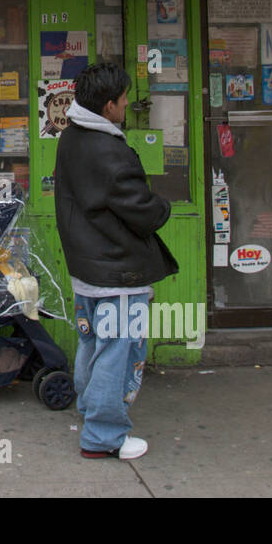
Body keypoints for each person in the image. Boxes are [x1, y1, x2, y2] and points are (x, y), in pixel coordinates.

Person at [54, 63, 177, 461]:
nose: (127, 106)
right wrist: (162, 205)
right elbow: (145, 212)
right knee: (118, 351)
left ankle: (91, 413)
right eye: (124, 100)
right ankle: (103, 436)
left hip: (88, 269)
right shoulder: (110, 151)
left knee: (93, 345)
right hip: (118, 271)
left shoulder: (70, 138)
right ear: (108, 106)